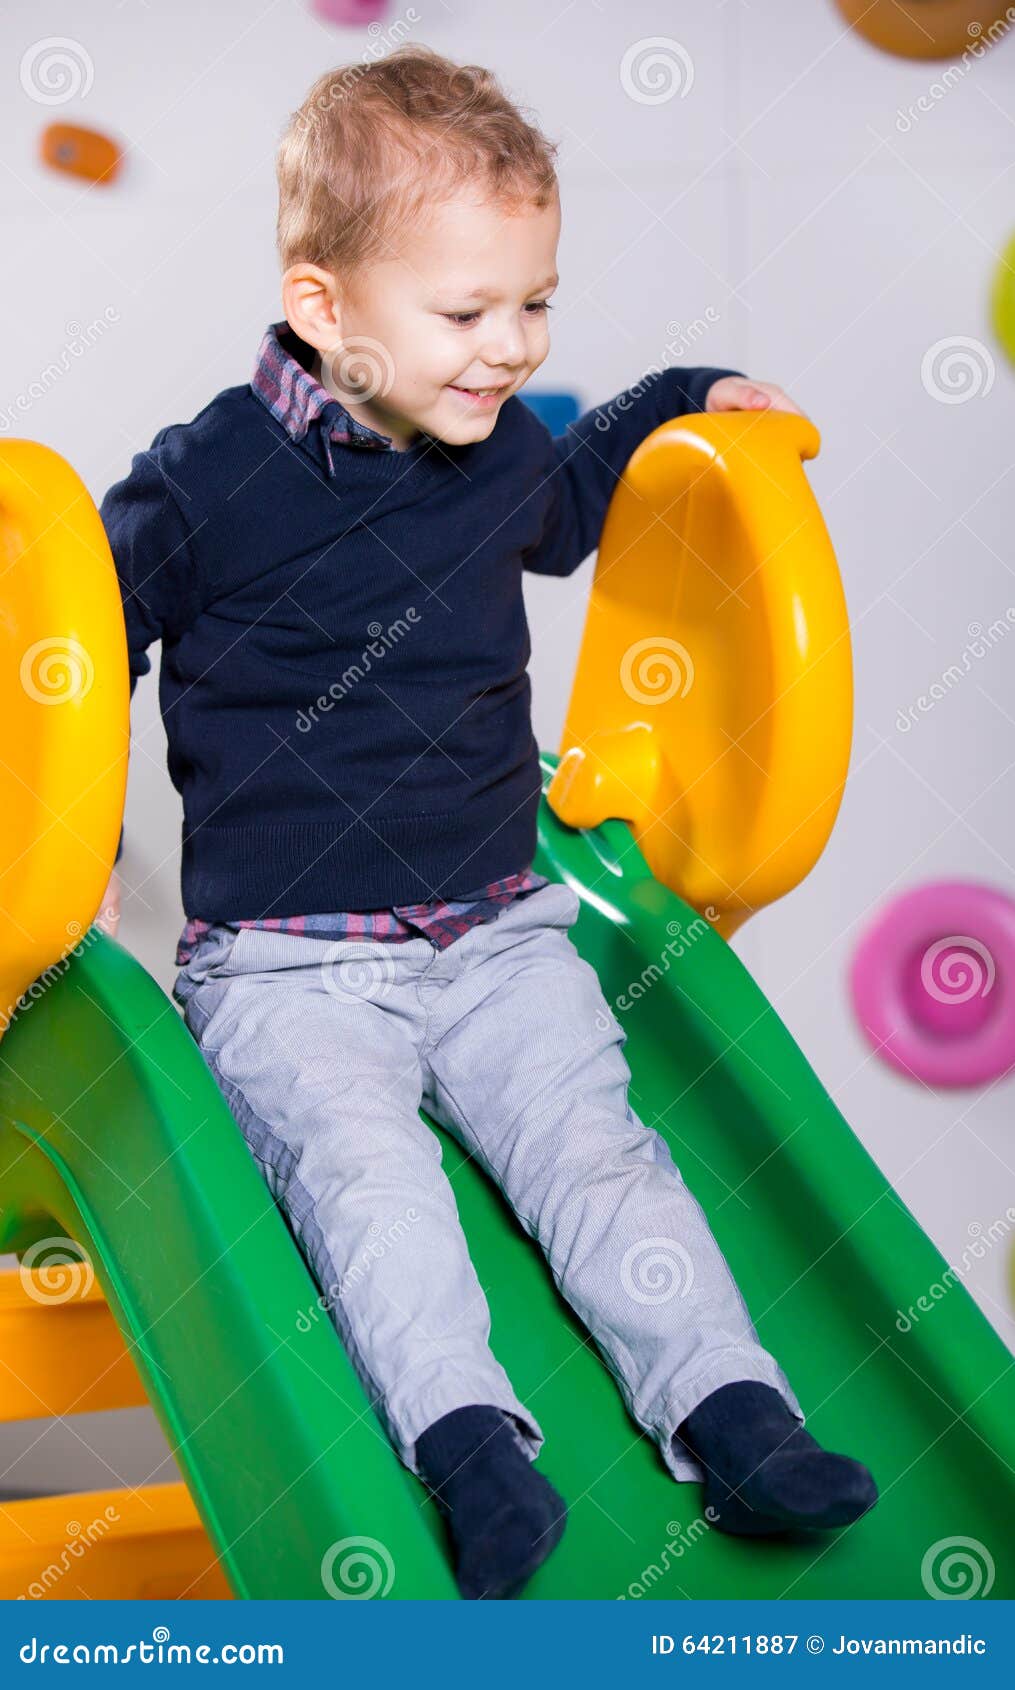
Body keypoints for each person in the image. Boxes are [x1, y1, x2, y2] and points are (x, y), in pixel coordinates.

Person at [99, 45, 877, 1600]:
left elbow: (575, 496)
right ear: (324, 307)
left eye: (536, 302)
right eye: (467, 314)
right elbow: (73, 635)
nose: (511, 346)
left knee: (601, 1155)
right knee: (368, 1181)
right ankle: (470, 1447)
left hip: (499, 928)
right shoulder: (208, 482)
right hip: (289, 965)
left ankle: (735, 1411)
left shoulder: (495, 445)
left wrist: (683, 398)